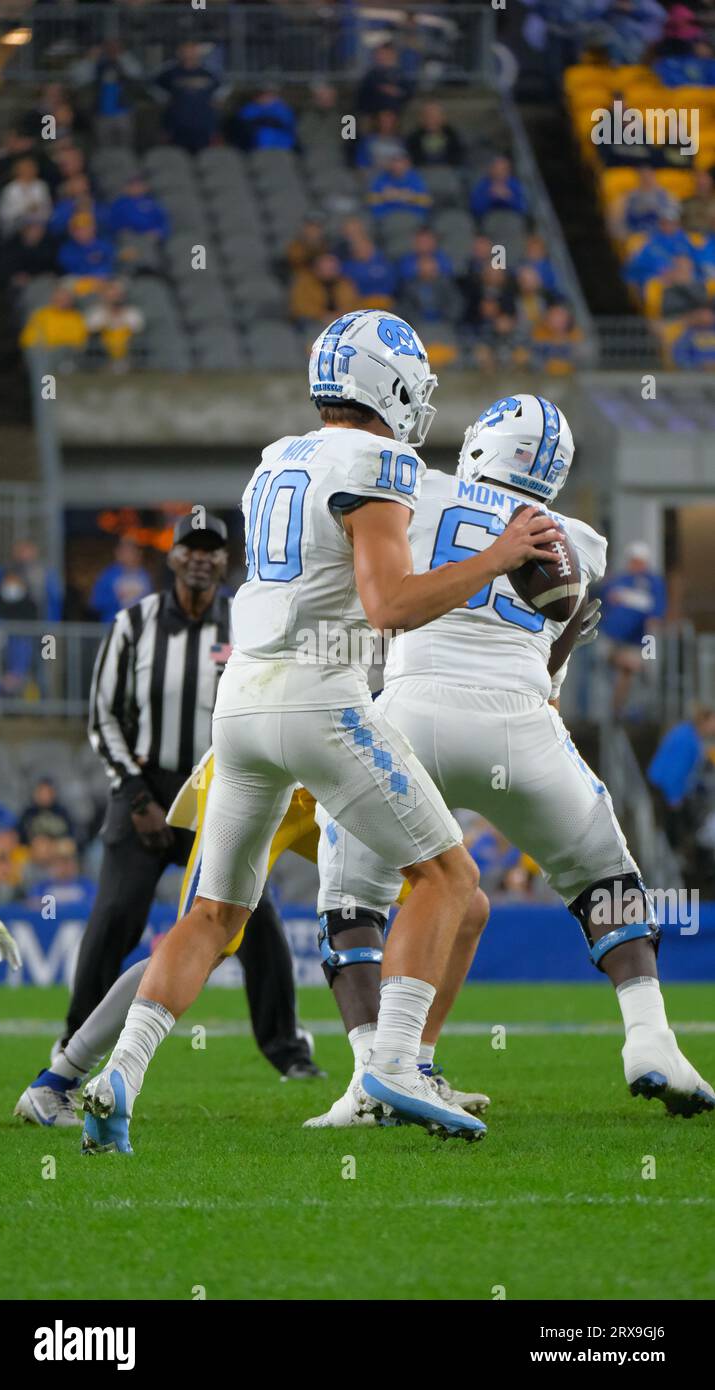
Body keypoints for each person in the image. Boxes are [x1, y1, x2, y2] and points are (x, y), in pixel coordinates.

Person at [78, 309, 563, 1153]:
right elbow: (390, 607)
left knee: (214, 916)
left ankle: (118, 1076)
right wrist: (498, 554)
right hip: (316, 697)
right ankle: (395, 1066)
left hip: (239, 704)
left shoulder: (278, 459)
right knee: (450, 881)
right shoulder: (378, 460)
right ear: (392, 384)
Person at [303, 393, 713, 1129]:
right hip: (520, 718)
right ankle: (650, 1040)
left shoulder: (413, 486)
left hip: (411, 708)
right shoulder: (580, 542)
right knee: (605, 883)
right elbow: (556, 649)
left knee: (350, 903)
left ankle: (370, 1079)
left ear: (481, 445)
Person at [15, 516, 321, 1128]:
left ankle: (288, 1051)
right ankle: (71, 1050)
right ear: (173, 557)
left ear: (224, 560)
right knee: (116, 916)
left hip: (218, 789)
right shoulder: (134, 625)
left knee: (253, 921)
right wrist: (135, 795)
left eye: (212, 550)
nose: (201, 560)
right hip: (146, 790)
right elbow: (104, 719)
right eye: (191, 548)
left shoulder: (244, 622)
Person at [599, 541, 668, 716]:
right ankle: (620, 711)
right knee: (625, 671)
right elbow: (605, 601)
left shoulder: (654, 582)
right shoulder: (619, 580)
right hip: (615, 639)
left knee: (645, 670)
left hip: (644, 639)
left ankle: (640, 710)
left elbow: (656, 613)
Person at [647, 706, 715, 849]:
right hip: (663, 789)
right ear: (705, 721)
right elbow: (675, 770)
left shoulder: (687, 733)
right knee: (671, 829)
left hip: (663, 785)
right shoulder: (688, 740)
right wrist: (674, 798)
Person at [152, 42, 224, 154]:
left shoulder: (209, 73)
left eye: (192, 52)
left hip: (203, 124)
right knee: (177, 157)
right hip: (177, 124)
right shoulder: (169, 73)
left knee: (203, 156)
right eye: (186, 52)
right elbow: (154, 87)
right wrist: (163, 100)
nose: (189, 55)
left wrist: (216, 104)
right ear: (179, 54)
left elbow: (221, 91)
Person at [89, 538, 152, 623]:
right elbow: (95, 602)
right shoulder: (109, 575)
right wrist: (117, 599)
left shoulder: (143, 575)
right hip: (113, 625)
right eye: (125, 551)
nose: (128, 554)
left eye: (131, 550)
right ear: (118, 553)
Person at [0, 157, 52, 239]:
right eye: (25, 169)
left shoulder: (41, 186)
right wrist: (25, 208)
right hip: (14, 226)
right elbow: (2, 213)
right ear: (17, 171)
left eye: (31, 168)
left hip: (39, 224)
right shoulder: (10, 189)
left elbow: (48, 209)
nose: (28, 171)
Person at [367, 153, 432, 220]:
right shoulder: (381, 178)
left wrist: (412, 197)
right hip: (386, 216)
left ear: (407, 165)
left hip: (411, 215)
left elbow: (427, 202)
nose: (397, 168)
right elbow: (370, 199)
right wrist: (383, 196)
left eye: (400, 164)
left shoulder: (416, 179)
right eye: (394, 164)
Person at [470, 155, 528, 223]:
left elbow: (523, 209)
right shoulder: (482, 185)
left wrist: (508, 198)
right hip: (489, 222)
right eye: (496, 169)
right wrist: (490, 197)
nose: (499, 172)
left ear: (508, 171)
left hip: (512, 222)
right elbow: (476, 210)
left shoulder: (515, 185)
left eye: (503, 169)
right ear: (491, 170)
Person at [406, 101, 464, 167]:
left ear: (443, 118)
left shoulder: (454, 137)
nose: (432, 120)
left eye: (435, 116)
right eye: (428, 116)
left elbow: (459, 158)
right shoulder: (413, 139)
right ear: (421, 119)